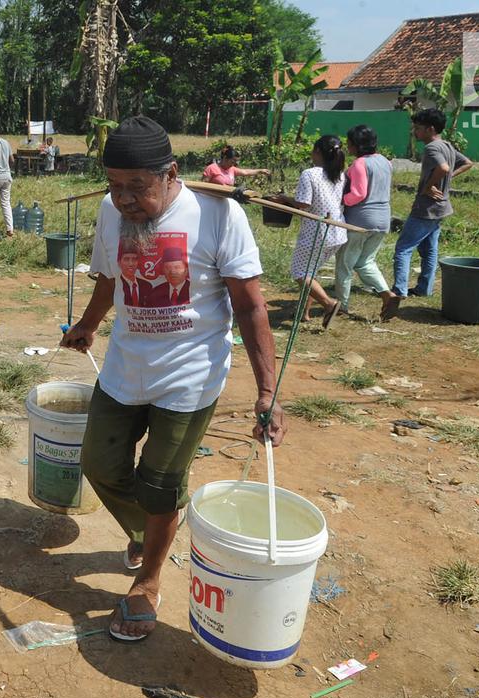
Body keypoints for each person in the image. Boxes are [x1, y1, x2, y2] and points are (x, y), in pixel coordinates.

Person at [58, 116, 283, 643]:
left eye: (137, 186)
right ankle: (151, 529)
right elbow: (110, 279)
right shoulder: (110, 213)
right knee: (99, 462)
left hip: (191, 373)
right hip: (125, 365)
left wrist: (267, 390)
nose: (125, 199)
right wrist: (89, 326)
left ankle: (149, 579)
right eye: (115, 185)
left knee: (159, 483)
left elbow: (250, 307)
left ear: (170, 173)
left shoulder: (216, 213)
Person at [381, 108, 473, 320]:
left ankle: (400, 290)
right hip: (441, 207)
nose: (415, 132)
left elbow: (442, 167)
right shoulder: (447, 145)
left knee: (403, 249)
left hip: (426, 208)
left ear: (430, 129)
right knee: (429, 249)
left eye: (418, 128)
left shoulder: (432, 148)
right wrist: (446, 181)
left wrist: (430, 185)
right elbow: (466, 163)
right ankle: (424, 287)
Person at [278, 135, 348, 328]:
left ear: (317, 151)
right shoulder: (340, 173)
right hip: (337, 232)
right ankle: (304, 313)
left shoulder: (310, 174)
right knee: (311, 271)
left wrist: (284, 198)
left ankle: (329, 304)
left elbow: (303, 204)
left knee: (301, 273)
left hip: (316, 233)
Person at [337, 124, 393, 316]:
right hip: (383, 219)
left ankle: (341, 306)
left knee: (345, 264)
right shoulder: (386, 162)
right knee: (366, 262)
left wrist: (340, 200)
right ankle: (386, 293)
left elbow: (359, 194)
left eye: (349, 143)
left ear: (356, 145)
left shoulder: (360, 163)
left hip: (360, 221)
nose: (347, 146)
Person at [202, 146, 270, 186]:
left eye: (235, 162)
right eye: (232, 161)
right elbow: (202, 186)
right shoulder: (211, 168)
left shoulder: (232, 169)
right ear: (225, 158)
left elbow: (245, 172)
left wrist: (260, 171)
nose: (233, 164)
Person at [117, 241, 154, 308]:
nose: (131, 264)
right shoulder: (118, 284)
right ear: (119, 263)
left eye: (134, 259)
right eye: (126, 259)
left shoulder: (147, 286)